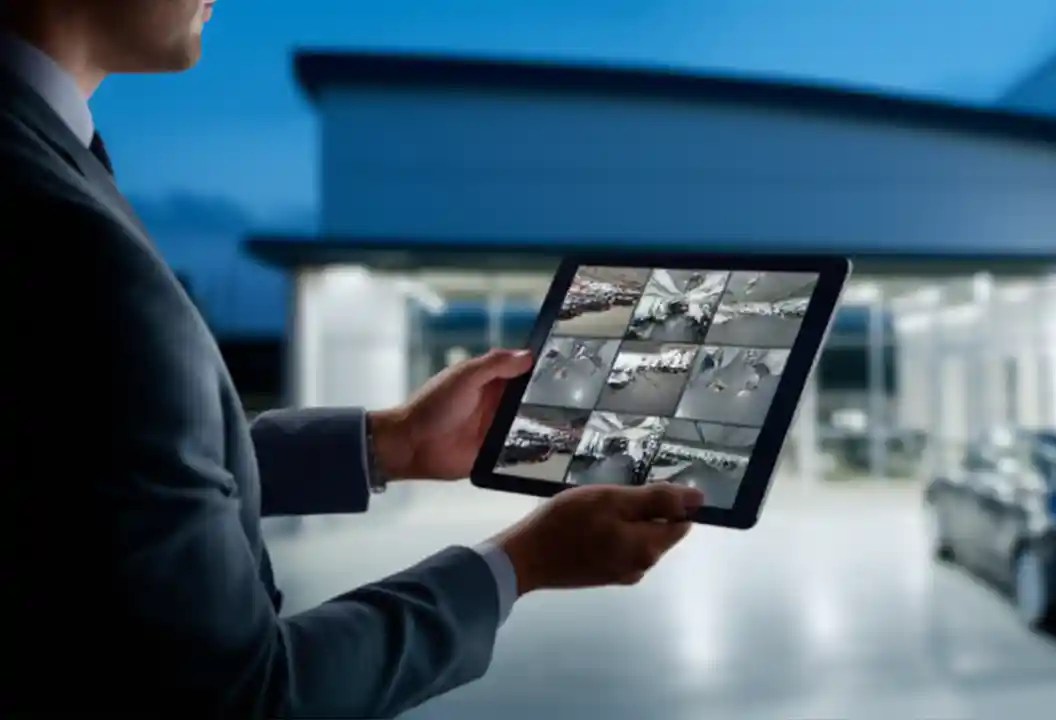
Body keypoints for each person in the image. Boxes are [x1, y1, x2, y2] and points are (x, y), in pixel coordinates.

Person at [0, 1, 703, 717]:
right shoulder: (65, 238)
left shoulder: (47, 157)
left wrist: (390, 441)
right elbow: (244, 698)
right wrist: (520, 564)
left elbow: (103, 473)